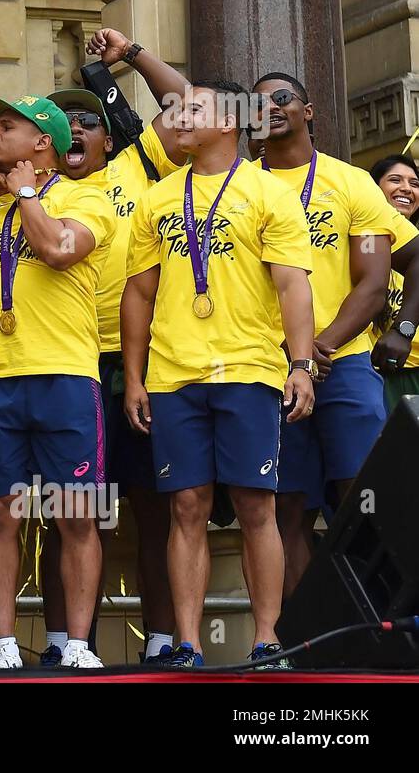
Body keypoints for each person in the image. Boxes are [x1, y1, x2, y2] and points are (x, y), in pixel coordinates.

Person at [121, 80, 316, 669]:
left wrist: (301, 365)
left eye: (191, 108)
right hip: (174, 375)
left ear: (231, 122)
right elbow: (138, 294)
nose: (177, 117)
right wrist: (134, 378)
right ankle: (187, 642)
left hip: (250, 368)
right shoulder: (158, 199)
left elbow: (293, 285)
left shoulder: (268, 193)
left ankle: (266, 640)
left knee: (258, 504)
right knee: (186, 505)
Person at [17, 30, 188, 665]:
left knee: (151, 507)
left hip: (138, 364)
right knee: (68, 507)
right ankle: (64, 643)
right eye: (63, 124)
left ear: (109, 137)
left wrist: (134, 55)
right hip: (63, 363)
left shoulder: (138, 165)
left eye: (89, 121)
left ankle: (166, 642)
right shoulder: (31, 193)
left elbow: (190, 107)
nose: (76, 131)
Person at [0, 93, 116, 669]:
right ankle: (5, 645)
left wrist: (28, 194)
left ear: (42, 142)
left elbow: (59, 249)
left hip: (63, 375)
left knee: (77, 513)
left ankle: (79, 645)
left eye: (6, 127)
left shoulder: (87, 196)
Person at [251, 72, 415, 595]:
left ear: (309, 110)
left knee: (363, 496)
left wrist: (401, 328)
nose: (270, 108)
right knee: (286, 505)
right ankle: (299, 638)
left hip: (342, 362)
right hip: (266, 367)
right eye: (256, 102)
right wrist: (296, 357)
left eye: (282, 98)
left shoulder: (349, 182)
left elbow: (377, 278)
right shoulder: (237, 185)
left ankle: (383, 625)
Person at [370, 154, 419, 409]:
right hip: (377, 373)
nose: (406, 188)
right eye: (395, 180)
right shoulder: (361, 244)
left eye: (414, 183)